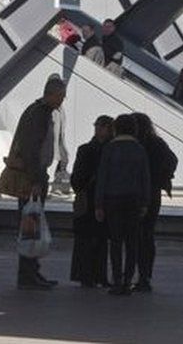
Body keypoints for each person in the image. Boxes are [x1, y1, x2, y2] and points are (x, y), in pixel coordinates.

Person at [8, 78, 67, 289]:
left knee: (31, 224)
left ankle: (32, 271)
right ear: (52, 94)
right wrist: (35, 179)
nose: (62, 100)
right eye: (61, 96)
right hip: (32, 177)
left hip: (34, 175)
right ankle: (27, 274)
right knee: (30, 226)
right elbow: (31, 150)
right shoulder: (39, 114)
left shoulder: (36, 111)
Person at [95, 114, 150, 296]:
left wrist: (99, 204)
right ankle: (128, 281)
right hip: (133, 200)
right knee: (132, 242)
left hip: (113, 199)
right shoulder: (139, 149)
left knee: (116, 242)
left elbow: (102, 177)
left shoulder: (110, 149)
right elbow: (144, 178)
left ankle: (117, 280)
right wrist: (144, 202)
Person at [131, 113, 178, 293]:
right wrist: (161, 179)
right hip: (153, 194)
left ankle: (129, 274)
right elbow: (172, 161)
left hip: (134, 193)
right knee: (147, 235)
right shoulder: (157, 143)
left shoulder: (134, 145)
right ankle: (145, 276)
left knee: (133, 235)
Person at [70, 115, 113, 288]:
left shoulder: (85, 150)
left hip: (87, 199)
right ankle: (98, 275)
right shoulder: (112, 151)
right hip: (102, 200)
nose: (99, 129)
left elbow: (77, 178)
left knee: (86, 239)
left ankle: (85, 274)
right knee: (100, 240)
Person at [45, 74, 72, 196]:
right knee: (55, 161)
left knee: (64, 159)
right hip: (51, 142)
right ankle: (53, 186)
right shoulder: (46, 107)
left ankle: (58, 184)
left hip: (59, 140)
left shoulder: (59, 107)